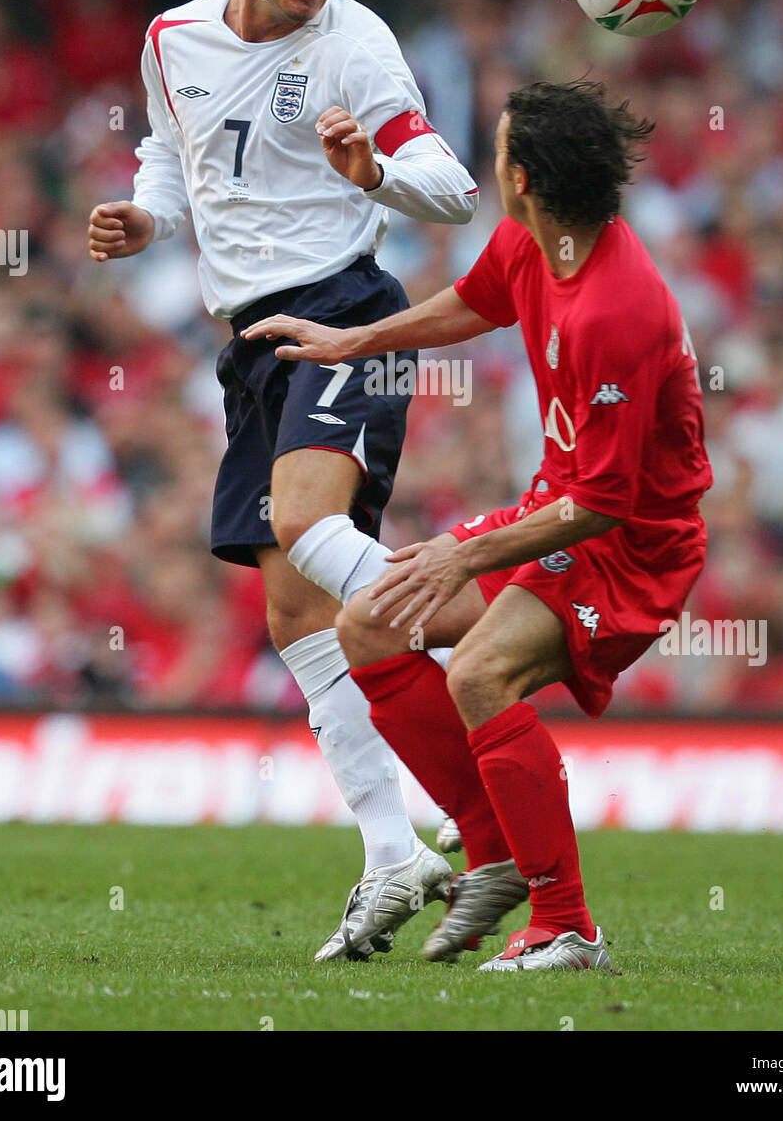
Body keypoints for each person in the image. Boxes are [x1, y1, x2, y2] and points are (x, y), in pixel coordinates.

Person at [87, 0, 478, 961]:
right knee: (296, 615)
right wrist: (143, 218)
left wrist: (375, 174)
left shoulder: (357, 44)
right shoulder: (172, 39)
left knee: (308, 529)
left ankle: (486, 632)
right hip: (252, 345)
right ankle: (391, 850)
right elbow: (174, 156)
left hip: (348, 315)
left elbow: (450, 189)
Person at [243, 79, 713, 971]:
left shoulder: (621, 309)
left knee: (483, 675)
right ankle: (492, 854)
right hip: (559, 508)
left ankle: (567, 926)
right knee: (370, 625)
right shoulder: (536, 241)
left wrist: (463, 551)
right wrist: (355, 341)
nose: (489, 164)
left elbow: (608, 500)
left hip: (627, 543)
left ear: (521, 177)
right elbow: (475, 300)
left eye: (495, 151)